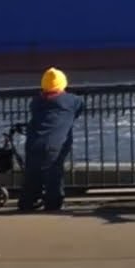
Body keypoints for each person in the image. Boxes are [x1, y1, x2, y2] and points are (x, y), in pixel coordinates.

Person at [18, 67, 85, 212]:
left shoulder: (36, 102)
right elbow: (80, 106)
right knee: (54, 174)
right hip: (55, 144)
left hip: (33, 141)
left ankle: (27, 202)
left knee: (32, 173)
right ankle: (53, 204)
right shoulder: (71, 100)